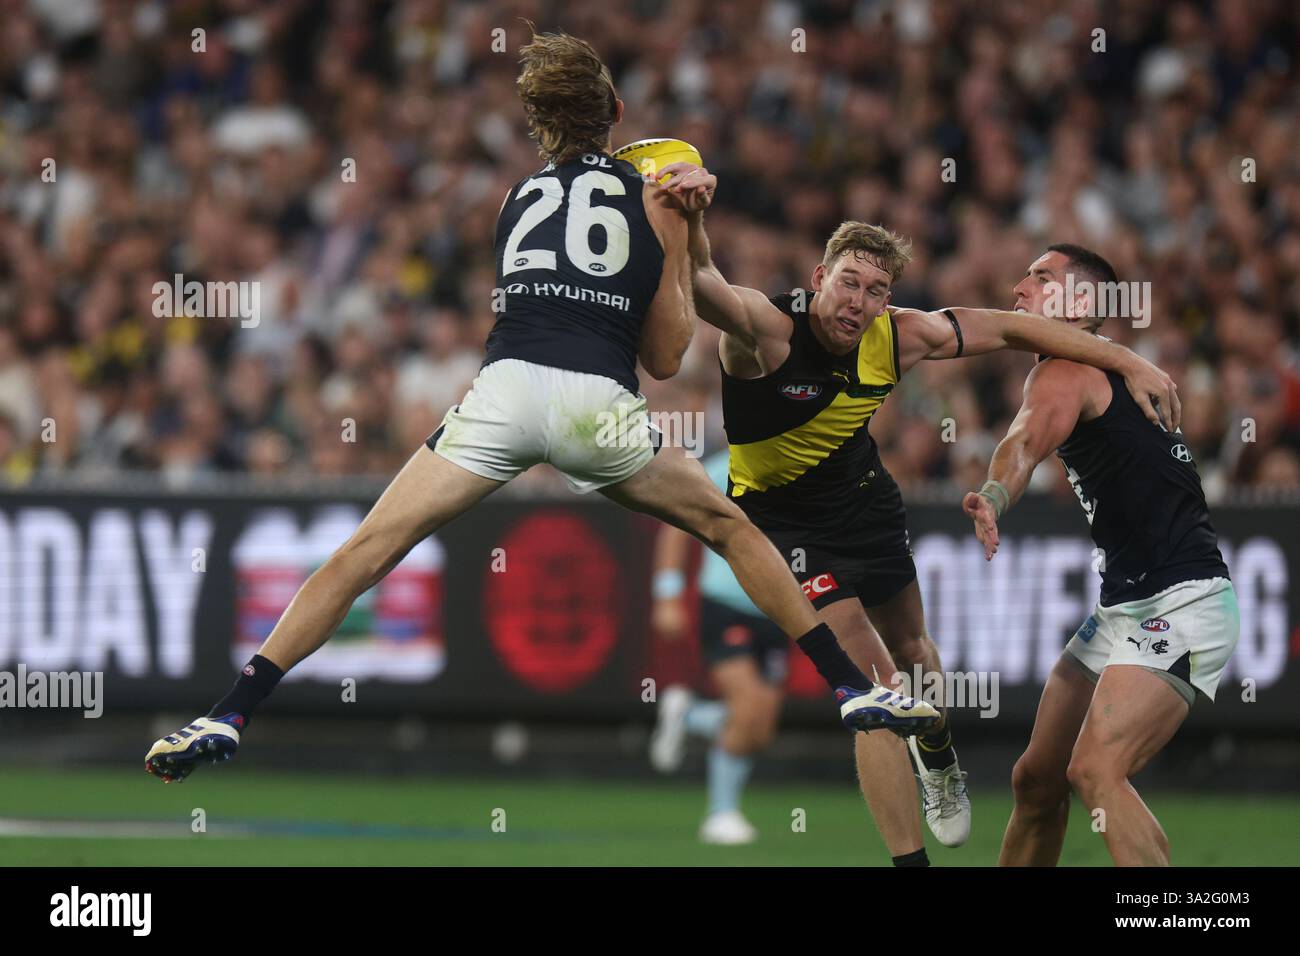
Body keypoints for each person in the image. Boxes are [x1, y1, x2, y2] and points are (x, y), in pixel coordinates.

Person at [145, 30, 937, 788]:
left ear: (539, 126)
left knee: (364, 552)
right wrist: (686, 230)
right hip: (597, 405)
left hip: (508, 392)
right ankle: (850, 687)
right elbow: (664, 356)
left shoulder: (516, 198)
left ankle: (233, 709)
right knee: (731, 528)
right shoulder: (656, 198)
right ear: (617, 116)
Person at [655, 161, 1180, 866]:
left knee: (916, 657)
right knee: (874, 692)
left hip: (867, 506)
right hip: (790, 533)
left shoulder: (901, 335)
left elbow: (1020, 331)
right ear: (819, 277)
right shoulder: (764, 332)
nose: (859, 301)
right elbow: (705, 280)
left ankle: (939, 753)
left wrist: (1129, 362)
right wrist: (686, 215)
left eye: (876, 291)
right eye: (848, 282)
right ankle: (911, 862)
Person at [962, 244, 1237, 866]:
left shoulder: (1065, 371)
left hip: (1184, 601)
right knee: (1038, 781)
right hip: (1126, 607)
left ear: (1081, 304)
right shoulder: (1113, 372)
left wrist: (994, 493)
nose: (1019, 286)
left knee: (1095, 772)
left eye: (1040, 277)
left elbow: (1026, 438)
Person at [649, 449, 791, 845]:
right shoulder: (722, 467)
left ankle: (689, 715)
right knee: (747, 708)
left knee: (760, 727)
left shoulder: (806, 462)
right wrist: (667, 594)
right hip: (726, 605)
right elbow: (674, 526)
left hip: (778, 610)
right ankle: (720, 814)